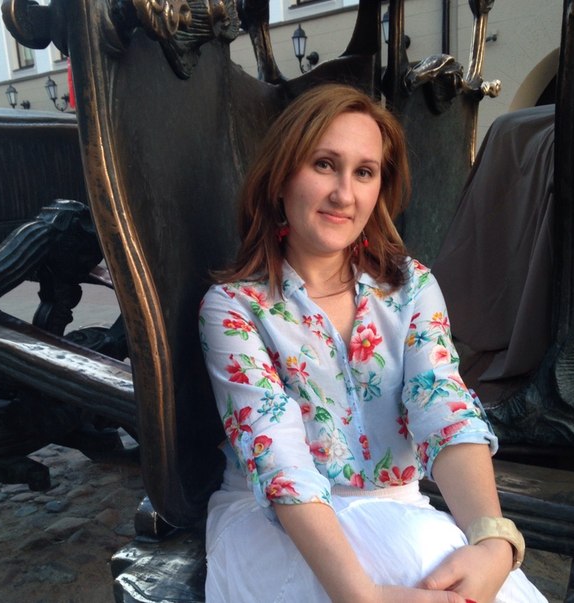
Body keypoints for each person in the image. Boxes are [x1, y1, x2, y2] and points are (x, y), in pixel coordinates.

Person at [198, 83, 546, 603]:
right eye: (324, 165)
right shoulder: (234, 308)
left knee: (450, 562)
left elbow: (443, 408)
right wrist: (364, 596)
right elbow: (280, 459)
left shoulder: (411, 288)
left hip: (400, 512)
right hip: (273, 525)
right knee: (422, 556)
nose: (345, 194)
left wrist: (493, 540)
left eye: (364, 172)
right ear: (280, 176)